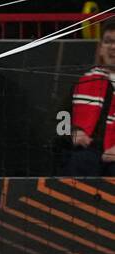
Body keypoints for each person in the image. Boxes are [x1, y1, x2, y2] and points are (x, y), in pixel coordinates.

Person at [66, 19, 115, 178]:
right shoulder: (83, 81)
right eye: (108, 42)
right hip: (87, 153)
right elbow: (58, 118)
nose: (113, 47)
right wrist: (72, 133)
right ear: (100, 48)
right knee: (81, 161)